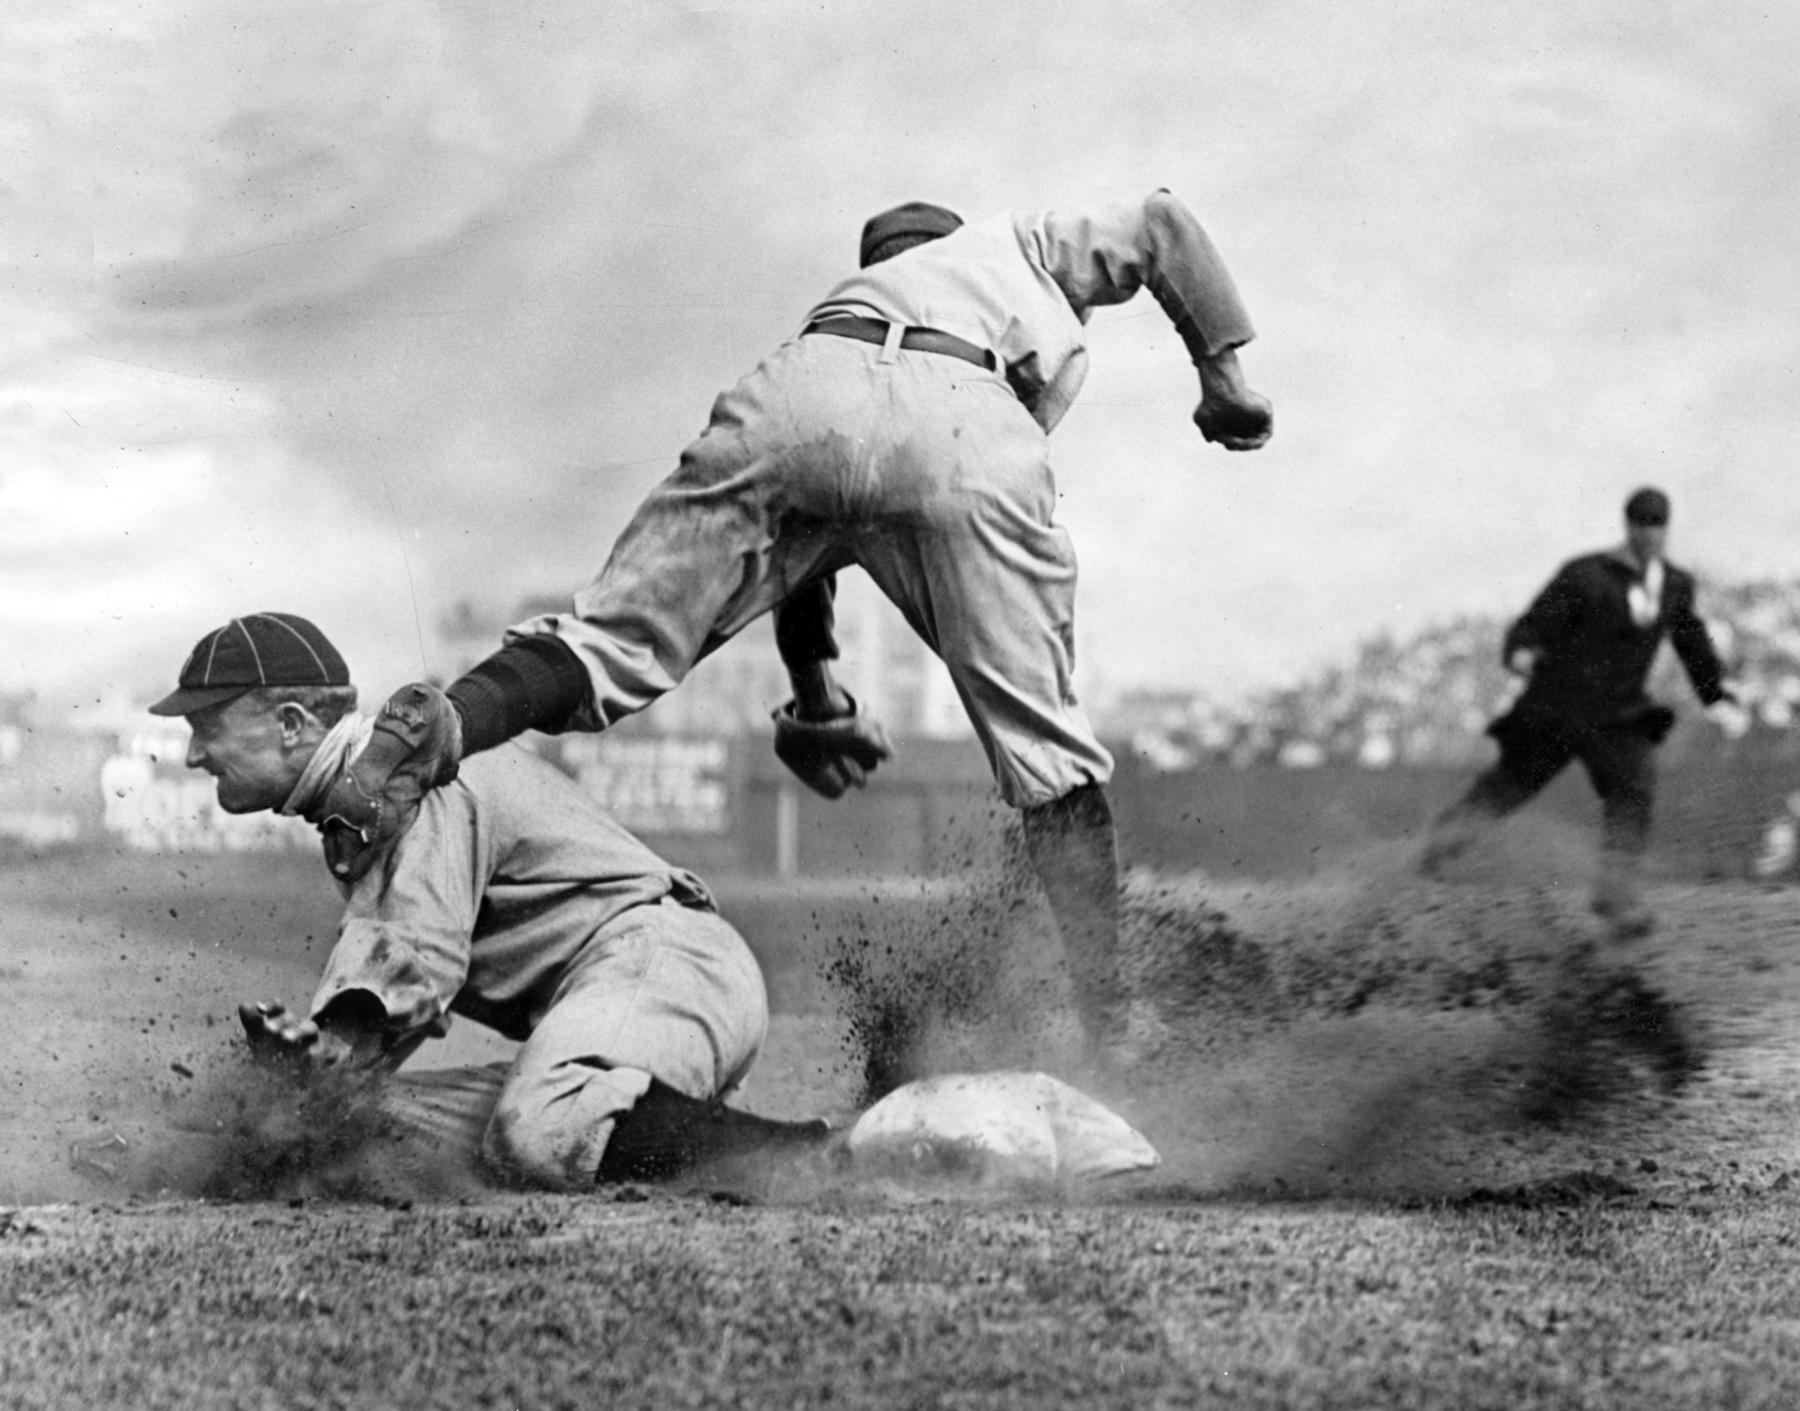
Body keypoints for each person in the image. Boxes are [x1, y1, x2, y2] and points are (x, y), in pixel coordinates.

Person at [316, 188, 1275, 1067]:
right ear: (946, 245)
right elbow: (1160, 224)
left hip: (794, 402)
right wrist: (1222, 373)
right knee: (1049, 756)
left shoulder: (842, 315)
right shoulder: (1011, 245)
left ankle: (449, 717)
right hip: (965, 416)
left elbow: (800, 563)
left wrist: (818, 700)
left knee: (610, 639)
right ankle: (1112, 1025)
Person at [150, 612, 831, 1190]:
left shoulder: (415, 782)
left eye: (208, 724)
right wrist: (270, 1104)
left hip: (665, 965)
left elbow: (409, 970)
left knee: (538, 1128)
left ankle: (820, 1157)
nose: (192, 753)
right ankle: (671, 1126)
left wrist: (321, 1058)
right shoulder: (370, 801)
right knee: (359, 1130)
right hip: (624, 1014)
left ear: (292, 722)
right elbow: (368, 1045)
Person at [1418, 487, 1740, 938]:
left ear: (1666, 530)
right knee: (1507, 789)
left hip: (1618, 717)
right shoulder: (1587, 575)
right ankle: (1430, 855)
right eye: (1641, 524)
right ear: (1627, 526)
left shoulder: (1673, 585)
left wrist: (1716, 694)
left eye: (1657, 525)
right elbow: (1534, 623)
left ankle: (1615, 896)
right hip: (1557, 709)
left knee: (1634, 787)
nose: (1649, 534)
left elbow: (1691, 640)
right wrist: (1523, 651)